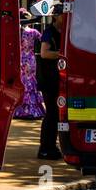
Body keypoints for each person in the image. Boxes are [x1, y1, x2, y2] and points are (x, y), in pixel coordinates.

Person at [36, 13, 63, 160]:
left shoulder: (63, 32)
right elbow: (44, 53)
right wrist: (62, 54)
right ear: (55, 17)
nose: (65, 17)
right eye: (62, 15)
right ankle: (45, 148)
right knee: (51, 114)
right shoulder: (48, 32)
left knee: (56, 115)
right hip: (48, 80)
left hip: (57, 79)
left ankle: (51, 146)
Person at [15, 10, 45, 120]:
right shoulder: (33, 32)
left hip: (21, 58)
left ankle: (20, 110)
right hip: (31, 60)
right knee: (30, 81)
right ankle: (33, 109)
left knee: (23, 81)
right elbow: (43, 39)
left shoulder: (16, 31)